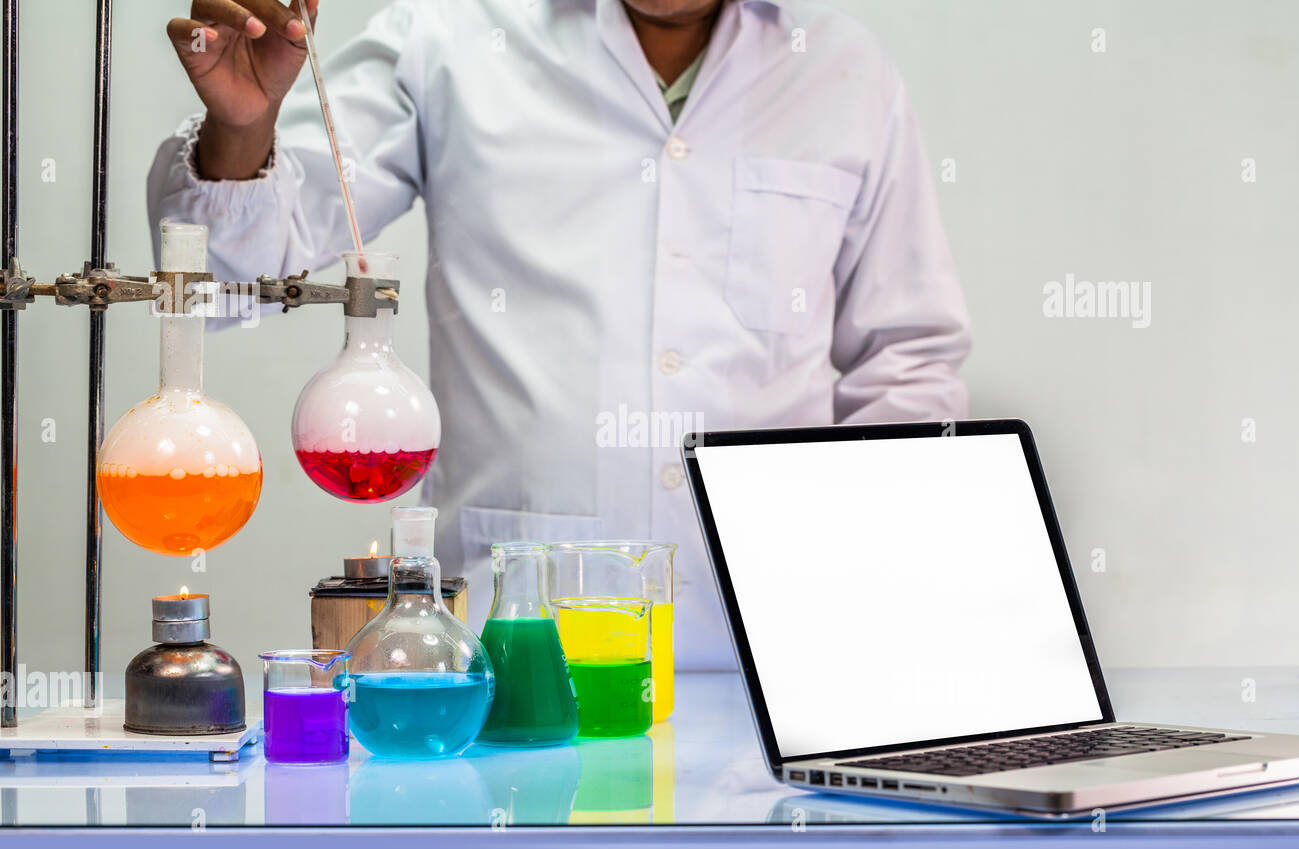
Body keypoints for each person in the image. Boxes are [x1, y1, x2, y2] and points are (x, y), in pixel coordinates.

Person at [149, 0, 972, 669]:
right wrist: (242, 131)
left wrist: (874, 597)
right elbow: (228, 281)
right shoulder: (451, 35)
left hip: (779, 663)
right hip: (515, 653)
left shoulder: (841, 67)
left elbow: (907, 355)